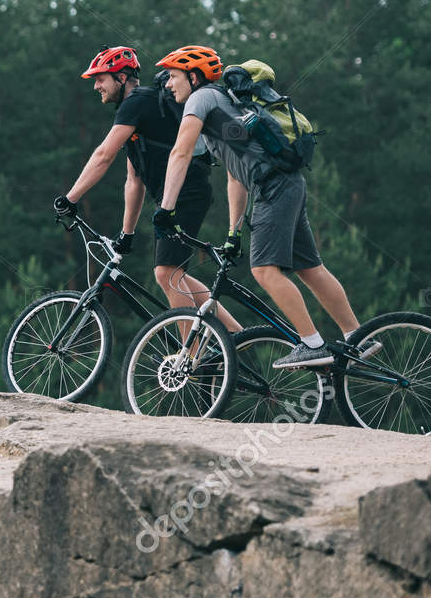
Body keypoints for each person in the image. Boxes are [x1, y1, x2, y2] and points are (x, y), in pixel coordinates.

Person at [150, 44, 370, 369]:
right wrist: (233, 231)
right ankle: (358, 339)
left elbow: (180, 153)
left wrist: (166, 209)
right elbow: (235, 178)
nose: (168, 84)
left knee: (265, 271)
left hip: (274, 187)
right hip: (287, 182)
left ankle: (312, 344)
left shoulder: (201, 99)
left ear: (193, 76)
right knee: (310, 268)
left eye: (173, 76)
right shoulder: (222, 106)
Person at [53, 45, 241, 332]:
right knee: (176, 275)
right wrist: (126, 234)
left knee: (166, 272)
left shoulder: (137, 102)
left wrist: (70, 198)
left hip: (185, 193)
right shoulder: (137, 112)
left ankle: (191, 359)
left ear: (122, 77)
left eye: (100, 78)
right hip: (185, 194)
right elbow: (134, 180)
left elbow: (104, 155)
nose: (96, 86)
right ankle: (235, 338)